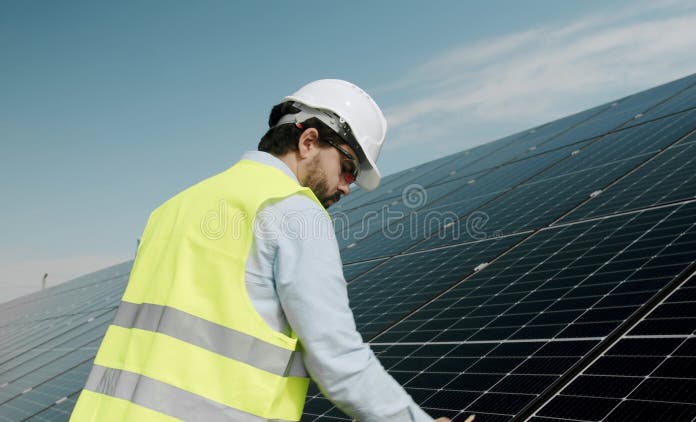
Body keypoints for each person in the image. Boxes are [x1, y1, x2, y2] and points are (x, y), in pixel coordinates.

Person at [70, 80, 455, 421]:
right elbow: (339, 361)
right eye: (348, 168)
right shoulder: (294, 211)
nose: (346, 186)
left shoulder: (171, 209)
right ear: (308, 142)